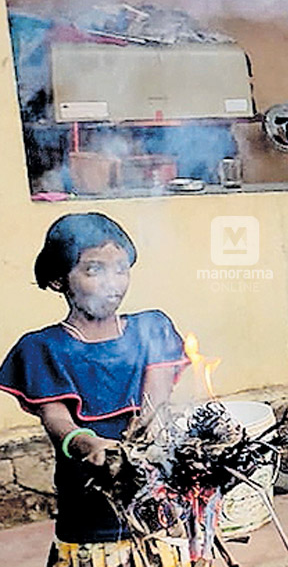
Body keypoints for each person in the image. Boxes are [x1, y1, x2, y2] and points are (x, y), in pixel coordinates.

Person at [0, 212, 190, 567]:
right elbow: (58, 424)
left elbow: (154, 405)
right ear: (59, 280)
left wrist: (141, 446)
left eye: (121, 268)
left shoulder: (152, 328)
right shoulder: (42, 348)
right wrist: (90, 444)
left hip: (156, 509)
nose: (113, 283)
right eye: (94, 270)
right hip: (89, 517)